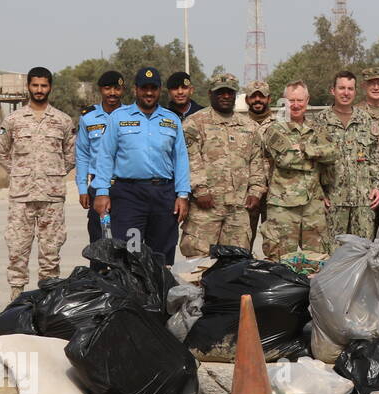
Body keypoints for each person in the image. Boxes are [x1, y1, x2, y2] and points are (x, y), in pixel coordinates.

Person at [91, 66, 190, 264]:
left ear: (159, 89)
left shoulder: (171, 120)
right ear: (136, 89)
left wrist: (183, 194)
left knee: (161, 256)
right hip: (129, 196)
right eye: (144, 88)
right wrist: (101, 191)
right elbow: (105, 156)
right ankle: (134, 294)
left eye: (153, 88)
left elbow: (180, 159)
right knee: (130, 252)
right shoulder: (118, 117)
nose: (149, 93)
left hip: (163, 195)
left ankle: (159, 293)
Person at [0, 66, 75, 300]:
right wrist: (21, 173)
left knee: (51, 251)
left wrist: (52, 175)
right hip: (22, 197)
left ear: (50, 87)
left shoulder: (62, 120)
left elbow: (70, 156)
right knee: (17, 248)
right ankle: (16, 297)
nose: (39, 90)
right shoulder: (13, 120)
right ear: (28, 87)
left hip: (52, 197)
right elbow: (2, 153)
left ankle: (46, 300)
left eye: (44, 85)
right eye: (35, 85)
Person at [179, 73, 266, 257]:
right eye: (220, 92)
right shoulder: (194, 123)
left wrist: (256, 191)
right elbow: (189, 159)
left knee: (236, 264)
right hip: (205, 211)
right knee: (198, 264)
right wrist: (200, 189)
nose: (226, 96)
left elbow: (256, 161)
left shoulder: (249, 127)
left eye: (230, 92)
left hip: (237, 210)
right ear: (211, 94)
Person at [258, 80, 337, 259]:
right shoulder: (274, 130)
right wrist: (317, 156)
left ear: (307, 100)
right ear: (284, 101)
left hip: (313, 205)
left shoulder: (317, 129)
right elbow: (285, 159)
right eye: (291, 100)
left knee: (317, 259)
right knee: (280, 259)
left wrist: (304, 149)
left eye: (300, 100)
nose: (295, 105)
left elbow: (333, 153)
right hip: (283, 207)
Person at [315, 70, 379, 239]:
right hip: (333, 200)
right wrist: (318, 193)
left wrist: (377, 186)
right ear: (333, 90)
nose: (346, 93)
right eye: (342, 88)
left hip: (363, 200)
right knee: (334, 254)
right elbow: (313, 162)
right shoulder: (319, 121)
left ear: (355, 91)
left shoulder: (365, 120)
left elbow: (373, 156)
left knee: (364, 251)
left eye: (350, 89)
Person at [75, 70, 124, 243]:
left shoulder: (131, 116)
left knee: (124, 237)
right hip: (97, 184)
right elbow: (82, 153)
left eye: (117, 88)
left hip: (124, 185)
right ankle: (99, 271)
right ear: (100, 90)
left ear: (123, 90)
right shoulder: (88, 117)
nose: (112, 93)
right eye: (107, 88)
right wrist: (82, 187)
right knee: (99, 239)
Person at [243, 80, 274, 242]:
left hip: (273, 193)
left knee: (274, 243)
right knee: (244, 241)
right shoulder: (240, 125)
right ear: (247, 100)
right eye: (253, 97)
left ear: (268, 99)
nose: (257, 100)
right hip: (248, 193)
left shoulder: (280, 124)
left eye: (261, 96)